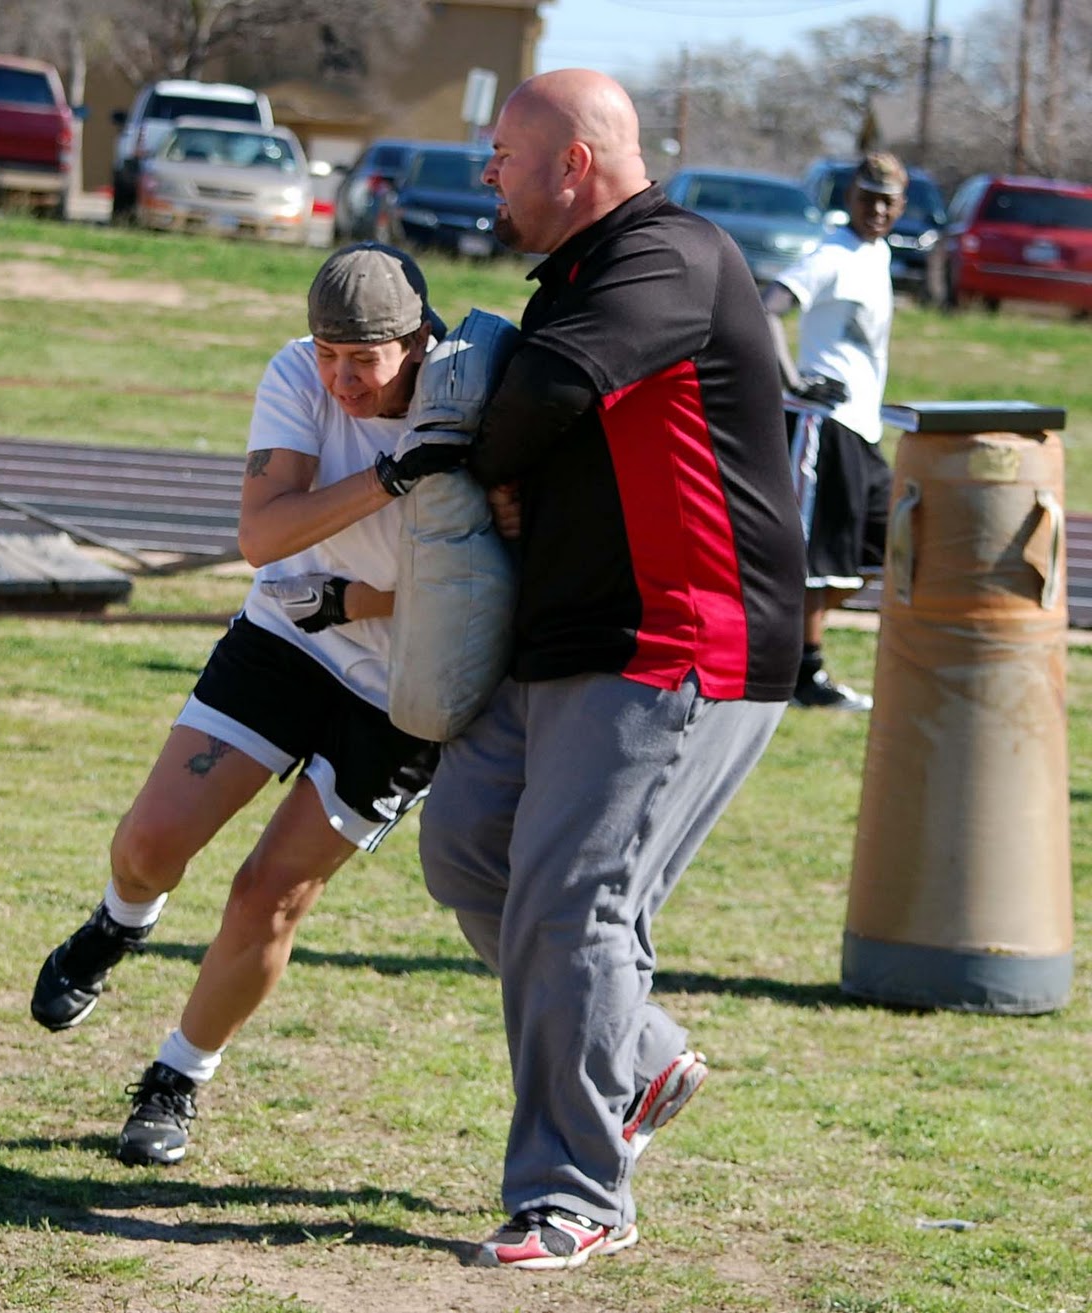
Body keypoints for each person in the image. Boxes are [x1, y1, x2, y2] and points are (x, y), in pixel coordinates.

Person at [416, 69, 806, 1271]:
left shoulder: (666, 253)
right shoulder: (579, 274)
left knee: (572, 901)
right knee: (467, 848)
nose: (488, 174)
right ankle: (634, 1056)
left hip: (680, 644)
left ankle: (575, 1191)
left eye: (502, 154)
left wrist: (479, 461)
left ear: (573, 163)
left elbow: (542, 392)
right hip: (571, 638)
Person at [29, 242, 463, 1167]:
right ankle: (118, 922)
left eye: (364, 360)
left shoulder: (473, 400)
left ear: (420, 341)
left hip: (405, 682)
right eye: (328, 355)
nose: (341, 380)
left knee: (269, 894)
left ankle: (177, 1076)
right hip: (291, 634)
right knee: (150, 843)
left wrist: (359, 598)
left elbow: (481, 586)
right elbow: (264, 535)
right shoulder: (297, 374)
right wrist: (388, 478)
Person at [762, 151, 907, 711]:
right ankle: (805, 674)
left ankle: (786, 650)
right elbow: (768, 308)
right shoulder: (831, 256)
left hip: (863, 427)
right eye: (868, 199)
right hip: (825, 424)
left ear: (901, 206)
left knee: (880, 545)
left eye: (888, 202)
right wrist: (794, 380)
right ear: (850, 198)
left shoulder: (879, 252)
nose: (877, 211)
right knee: (819, 560)